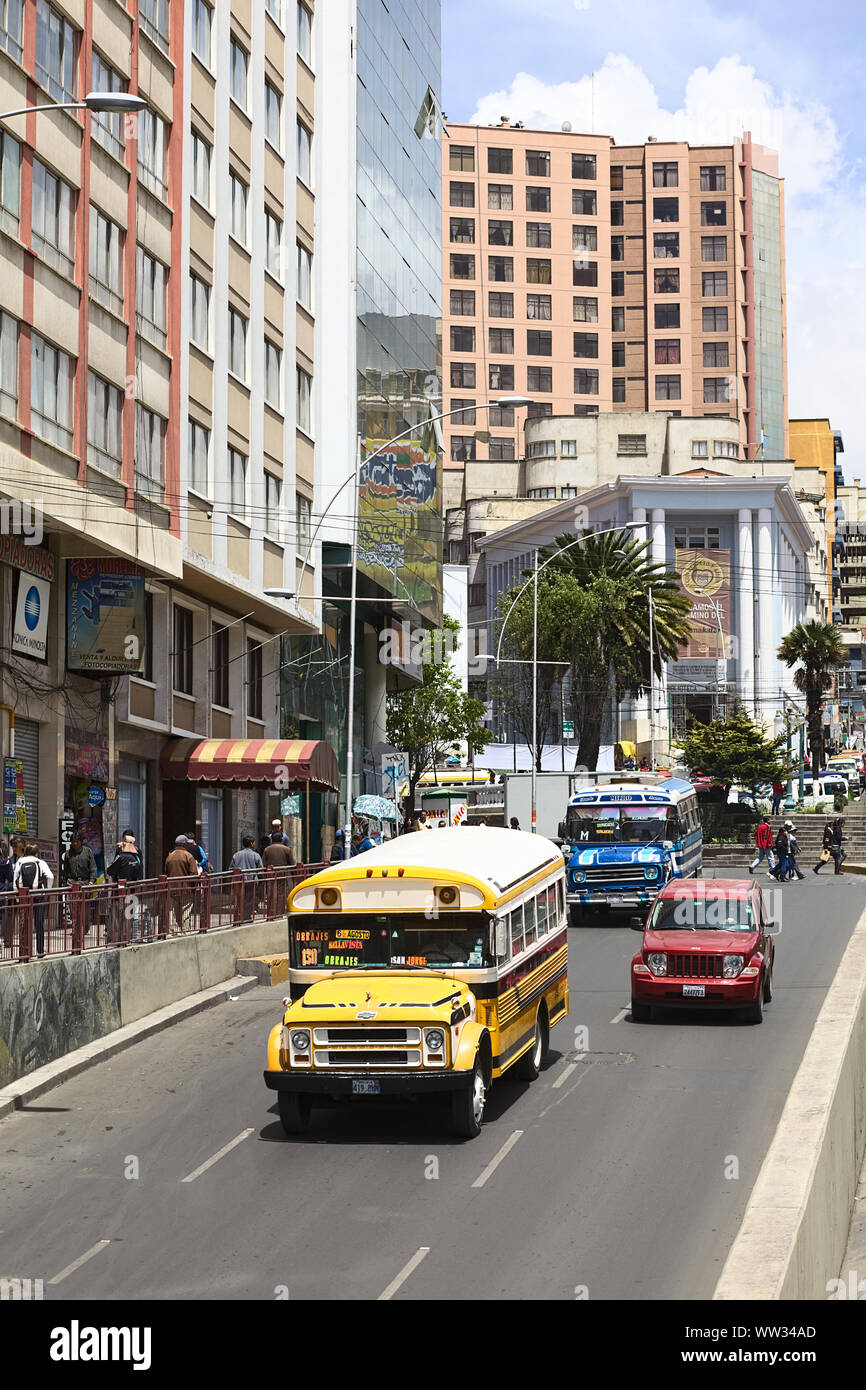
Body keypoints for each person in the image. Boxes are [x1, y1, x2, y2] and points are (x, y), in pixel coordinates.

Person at [13, 843, 54, 956]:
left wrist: (18, 897)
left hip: (24, 896)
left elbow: (15, 880)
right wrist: (47, 891)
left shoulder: (20, 862)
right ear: (36, 853)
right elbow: (50, 877)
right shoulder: (40, 862)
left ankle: (24, 951)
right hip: (39, 895)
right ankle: (40, 951)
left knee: (24, 923)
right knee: (39, 923)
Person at [105, 833, 145, 941]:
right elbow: (139, 876)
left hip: (119, 893)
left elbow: (110, 870)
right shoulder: (137, 858)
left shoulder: (121, 858)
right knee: (129, 916)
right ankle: (128, 937)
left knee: (117, 917)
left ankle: (117, 940)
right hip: (132, 892)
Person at [230, 835, 263, 921]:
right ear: (251, 843)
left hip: (239, 881)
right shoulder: (256, 855)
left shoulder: (236, 855)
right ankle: (246, 917)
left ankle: (241, 916)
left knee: (240, 899)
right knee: (249, 899)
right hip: (251, 881)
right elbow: (261, 869)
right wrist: (261, 881)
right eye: (254, 842)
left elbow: (231, 868)